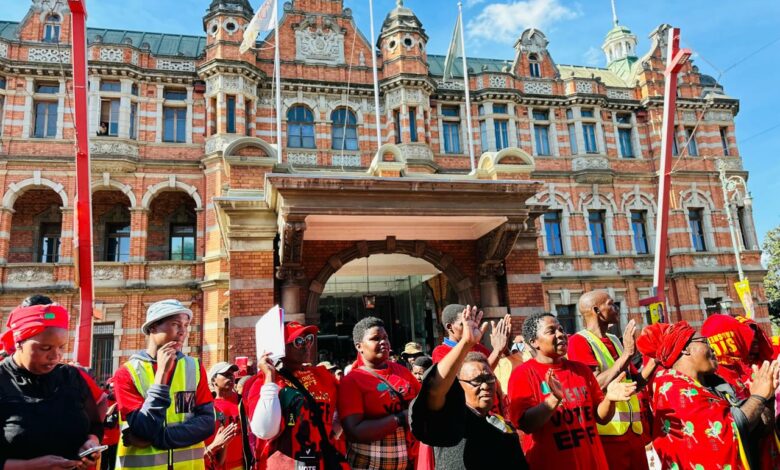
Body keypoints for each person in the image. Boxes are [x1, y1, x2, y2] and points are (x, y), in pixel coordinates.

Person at [636, 321, 780, 469]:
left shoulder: (715, 385)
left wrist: (767, 395)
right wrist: (758, 397)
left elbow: (757, 428)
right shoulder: (673, 387)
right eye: (705, 341)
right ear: (685, 349)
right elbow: (726, 432)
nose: (713, 348)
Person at [507, 312, 637, 469]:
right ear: (534, 342)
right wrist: (554, 399)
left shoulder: (581, 370)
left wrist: (610, 399)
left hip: (593, 463)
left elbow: (601, 418)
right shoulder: (522, 374)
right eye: (551, 331)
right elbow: (526, 425)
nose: (560, 334)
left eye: (561, 329)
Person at [410, 307, 528, 469]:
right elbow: (435, 388)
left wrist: (501, 350)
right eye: (477, 381)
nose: (486, 386)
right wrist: (466, 343)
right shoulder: (451, 422)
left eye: (489, 379)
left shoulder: (503, 428)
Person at [0, 303, 104, 469]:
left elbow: (95, 424)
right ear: (19, 342)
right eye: (45, 348)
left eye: (61, 347)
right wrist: (29, 466)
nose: (56, 356)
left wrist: (91, 443)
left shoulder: (71, 376)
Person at [114, 299, 214, 469]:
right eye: (176, 324)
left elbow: (206, 423)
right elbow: (144, 428)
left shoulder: (194, 367)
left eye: (186, 325)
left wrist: (159, 437)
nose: (183, 332)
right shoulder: (126, 373)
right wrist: (161, 375)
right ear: (153, 327)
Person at [566, 290, 654, 470]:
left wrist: (656, 360)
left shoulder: (614, 339)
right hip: (608, 435)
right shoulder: (579, 341)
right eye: (611, 304)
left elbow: (634, 382)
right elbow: (596, 384)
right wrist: (626, 355)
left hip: (634, 432)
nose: (616, 308)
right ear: (597, 310)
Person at [244, 322, 345, 469]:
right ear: (281, 349)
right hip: (285, 463)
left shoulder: (322, 375)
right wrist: (269, 378)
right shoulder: (263, 381)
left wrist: (332, 432)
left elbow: (345, 406)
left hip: (322, 461)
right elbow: (265, 430)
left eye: (309, 339)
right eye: (298, 341)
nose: (306, 345)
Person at [339, 316, 421, 470]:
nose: (383, 342)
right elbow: (354, 431)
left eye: (385, 337)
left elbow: (422, 403)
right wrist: (401, 418)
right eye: (375, 338)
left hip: (410, 463)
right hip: (368, 465)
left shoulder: (402, 371)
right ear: (359, 346)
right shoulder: (352, 381)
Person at [431, 304, 505, 369]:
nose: (469, 327)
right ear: (450, 327)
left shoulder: (479, 348)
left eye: (471, 323)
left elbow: (500, 370)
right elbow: (473, 376)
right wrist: (497, 351)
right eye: (464, 324)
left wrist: (504, 348)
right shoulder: (440, 351)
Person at [205, 362, 242, 470]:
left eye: (232, 374)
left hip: (241, 464)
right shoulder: (207, 406)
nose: (231, 377)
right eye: (225, 374)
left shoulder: (243, 402)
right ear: (213, 380)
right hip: (217, 466)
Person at [102, 379, 121, 470]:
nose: (113, 389)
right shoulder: (103, 400)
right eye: (111, 387)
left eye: (115, 387)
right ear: (108, 388)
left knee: (114, 466)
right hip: (103, 442)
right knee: (103, 466)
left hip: (116, 441)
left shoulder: (121, 401)